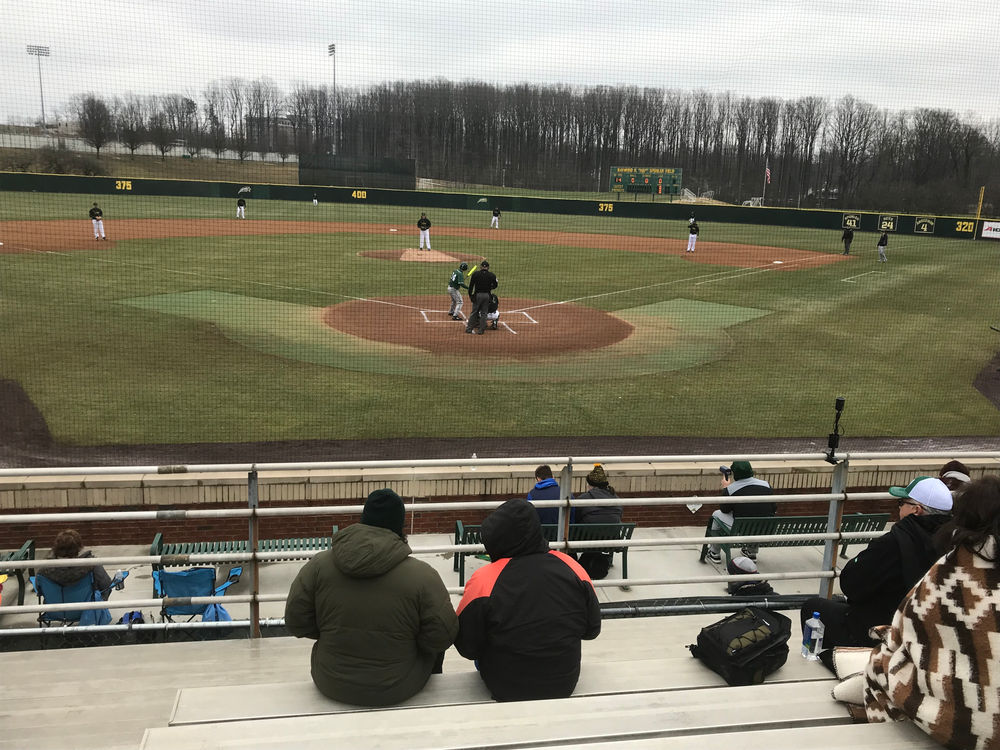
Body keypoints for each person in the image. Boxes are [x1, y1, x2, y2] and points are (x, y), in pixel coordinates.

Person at [284, 489, 458, 707]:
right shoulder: (423, 575)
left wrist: (333, 631)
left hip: (331, 681)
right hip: (398, 686)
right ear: (400, 527)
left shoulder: (319, 566)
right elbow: (442, 636)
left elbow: (296, 622)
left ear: (363, 520)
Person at [861, 475, 1000, 748]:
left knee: (880, 660)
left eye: (902, 503)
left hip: (958, 721)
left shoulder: (951, 569)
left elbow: (901, 633)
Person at [454, 498, 601, 701]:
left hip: (505, 687)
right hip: (563, 684)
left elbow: (467, 647)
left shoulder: (485, 579)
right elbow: (592, 630)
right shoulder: (571, 566)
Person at [799, 476, 953, 651]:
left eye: (902, 502)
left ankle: (834, 659)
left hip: (881, 632)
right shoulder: (955, 542)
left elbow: (851, 584)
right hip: (927, 633)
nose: (899, 507)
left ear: (916, 510)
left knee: (813, 607)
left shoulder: (894, 542)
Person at [705, 460, 775, 564]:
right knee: (758, 518)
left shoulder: (732, 489)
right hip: (765, 529)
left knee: (716, 514)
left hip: (741, 529)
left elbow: (724, 510)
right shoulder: (766, 485)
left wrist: (726, 488)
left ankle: (714, 553)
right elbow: (773, 508)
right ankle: (751, 552)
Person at [574, 464, 623, 580]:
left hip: (586, 539)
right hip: (610, 540)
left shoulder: (582, 499)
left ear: (591, 485)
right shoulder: (616, 499)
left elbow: (575, 519)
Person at [36, 529, 113, 599]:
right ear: (79, 548)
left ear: (56, 547)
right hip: (86, 611)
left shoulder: (44, 569)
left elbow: (39, 589)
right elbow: (106, 585)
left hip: (55, 611)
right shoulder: (92, 565)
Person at [465, 260, 497, 335]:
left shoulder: (476, 274)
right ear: (488, 267)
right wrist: (489, 287)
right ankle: (481, 330)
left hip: (477, 295)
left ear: (481, 267)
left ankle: (469, 329)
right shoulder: (492, 275)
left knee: (474, 312)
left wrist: (470, 295)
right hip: (487, 296)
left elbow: (471, 286)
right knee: (484, 313)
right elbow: (495, 285)